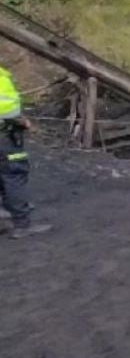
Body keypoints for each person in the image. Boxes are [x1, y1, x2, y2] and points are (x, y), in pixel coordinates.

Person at [0, 66, 51, 240]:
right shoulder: (1, 78)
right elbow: (7, 111)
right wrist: (22, 122)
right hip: (5, 137)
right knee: (14, 176)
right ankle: (22, 224)